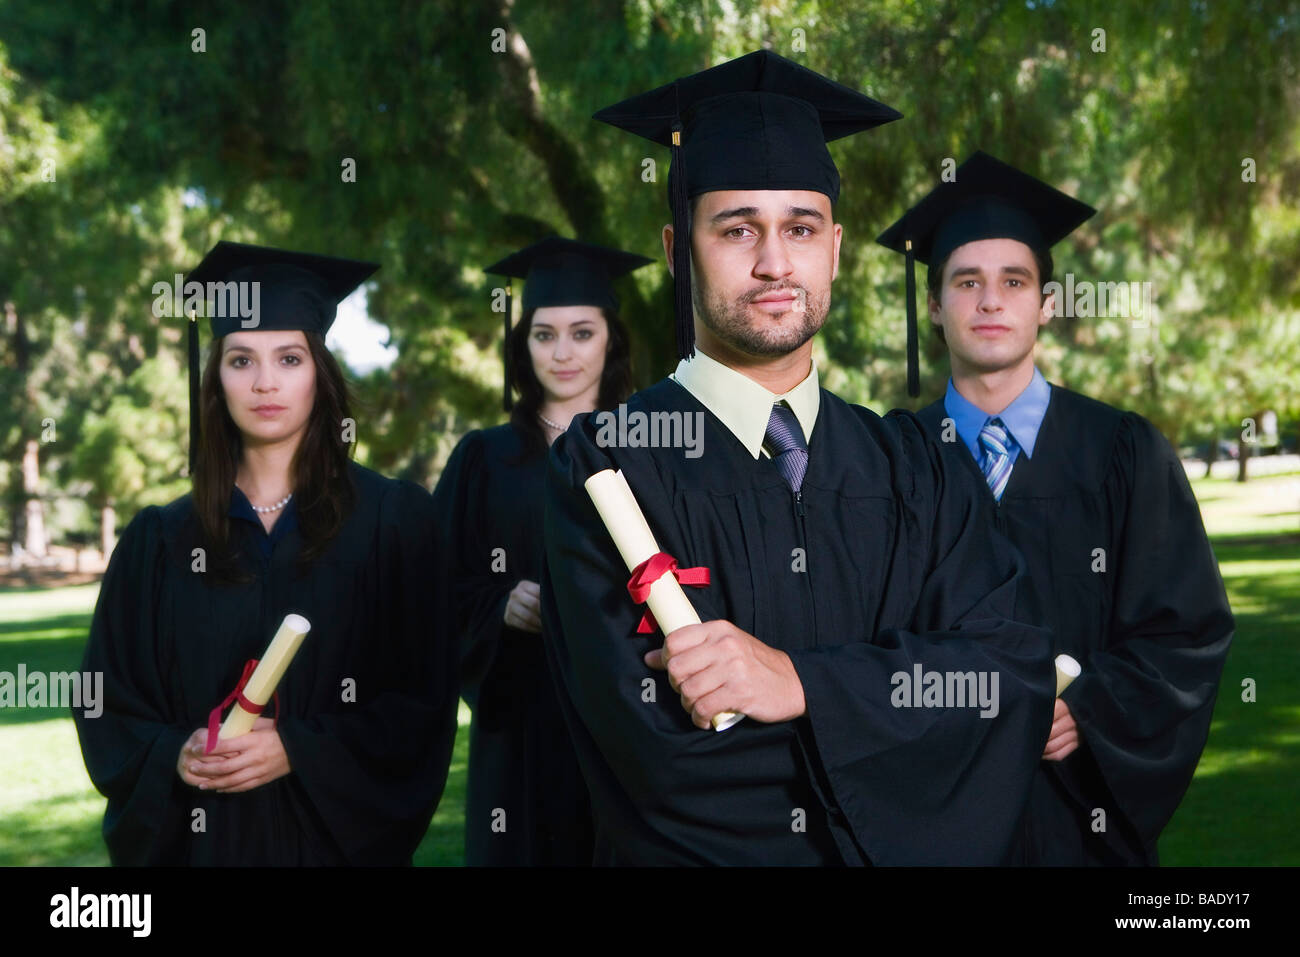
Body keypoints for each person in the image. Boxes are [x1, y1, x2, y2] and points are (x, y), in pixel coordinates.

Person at [539, 51, 1058, 866]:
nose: (776, 261)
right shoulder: (607, 467)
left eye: (801, 228)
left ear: (837, 248)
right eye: (738, 228)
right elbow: (657, 762)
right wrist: (889, 729)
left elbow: (1005, 678)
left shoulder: (916, 462)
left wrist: (801, 684)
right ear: (679, 250)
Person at [877, 151, 1235, 864]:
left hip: (1080, 824)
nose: (989, 302)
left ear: (1046, 302)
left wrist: (1089, 710)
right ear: (935, 304)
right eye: (967, 281)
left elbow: (1186, 634)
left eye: (1014, 282)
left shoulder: (1124, 454)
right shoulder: (890, 460)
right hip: (937, 820)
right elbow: (853, 635)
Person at [74, 241, 459, 865]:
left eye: (288, 357)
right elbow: (108, 699)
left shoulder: (394, 522)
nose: (265, 382)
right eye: (241, 359)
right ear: (215, 379)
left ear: (319, 373)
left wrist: (298, 750)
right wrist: (175, 751)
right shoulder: (160, 541)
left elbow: (422, 703)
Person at [432, 237, 650, 865]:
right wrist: (499, 606)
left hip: (630, 722)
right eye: (544, 334)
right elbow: (434, 592)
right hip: (521, 727)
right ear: (522, 345)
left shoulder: (650, 449)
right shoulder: (483, 459)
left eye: (582, 333)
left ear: (611, 339)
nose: (562, 353)